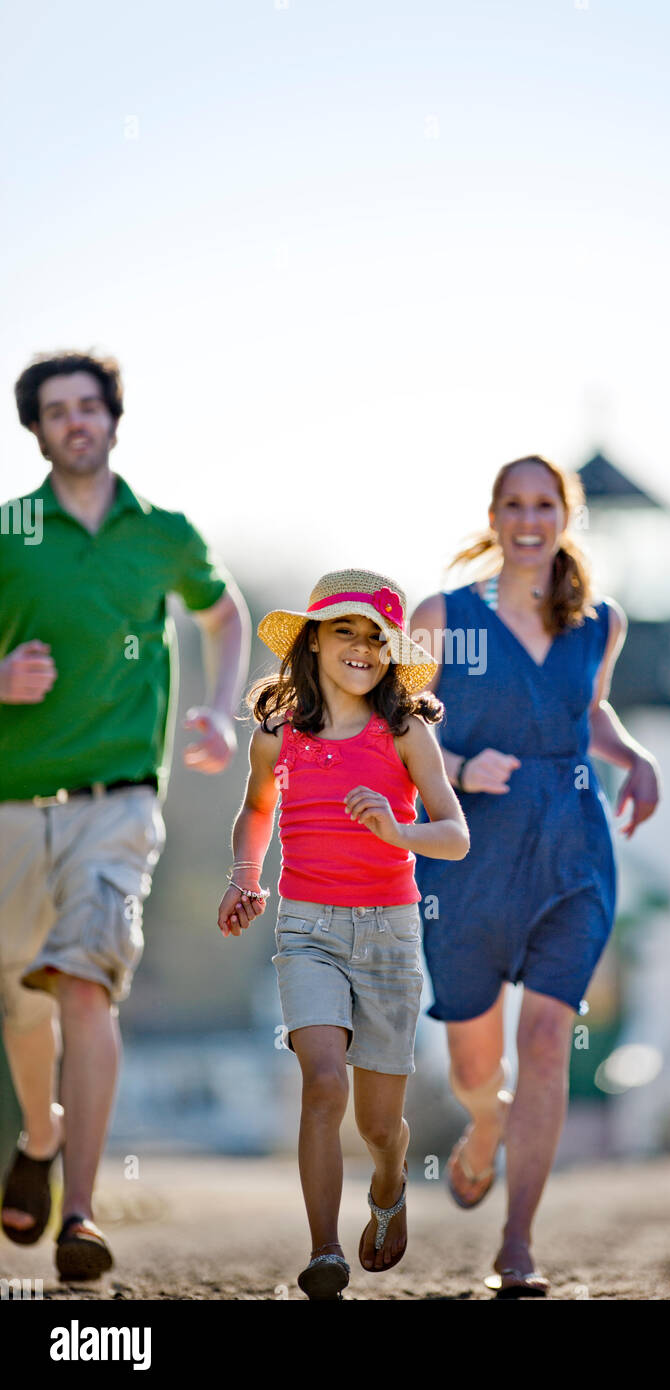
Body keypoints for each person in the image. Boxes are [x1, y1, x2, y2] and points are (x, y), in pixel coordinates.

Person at [0, 351, 250, 1279]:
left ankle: (85, 1215)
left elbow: (224, 615)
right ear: (36, 430)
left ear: (113, 417)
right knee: (22, 1008)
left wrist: (222, 709)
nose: (75, 422)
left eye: (88, 406)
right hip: (11, 810)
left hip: (122, 802)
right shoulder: (9, 530)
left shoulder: (165, 534)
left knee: (85, 985)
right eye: (56, 411)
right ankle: (38, 1137)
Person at [410, 454, 661, 1298]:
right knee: (477, 1071)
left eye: (544, 504)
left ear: (566, 512)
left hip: (572, 851)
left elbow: (589, 709)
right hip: (467, 857)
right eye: (512, 504)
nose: (528, 519)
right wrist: (457, 761)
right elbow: (392, 732)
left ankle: (517, 1244)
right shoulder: (440, 615)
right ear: (493, 514)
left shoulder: (602, 621)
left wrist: (633, 754)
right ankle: (485, 1129)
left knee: (548, 1037)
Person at [217, 568, 469, 1300]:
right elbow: (256, 812)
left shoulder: (406, 732)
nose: (359, 647)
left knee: (381, 1126)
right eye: (344, 631)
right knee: (322, 1082)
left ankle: (389, 1185)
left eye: (374, 636)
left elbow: (455, 835)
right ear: (314, 641)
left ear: (391, 653)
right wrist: (244, 875)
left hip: (390, 933)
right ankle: (325, 1251)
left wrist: (399, 830)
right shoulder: (279, 734)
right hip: (307, 928)